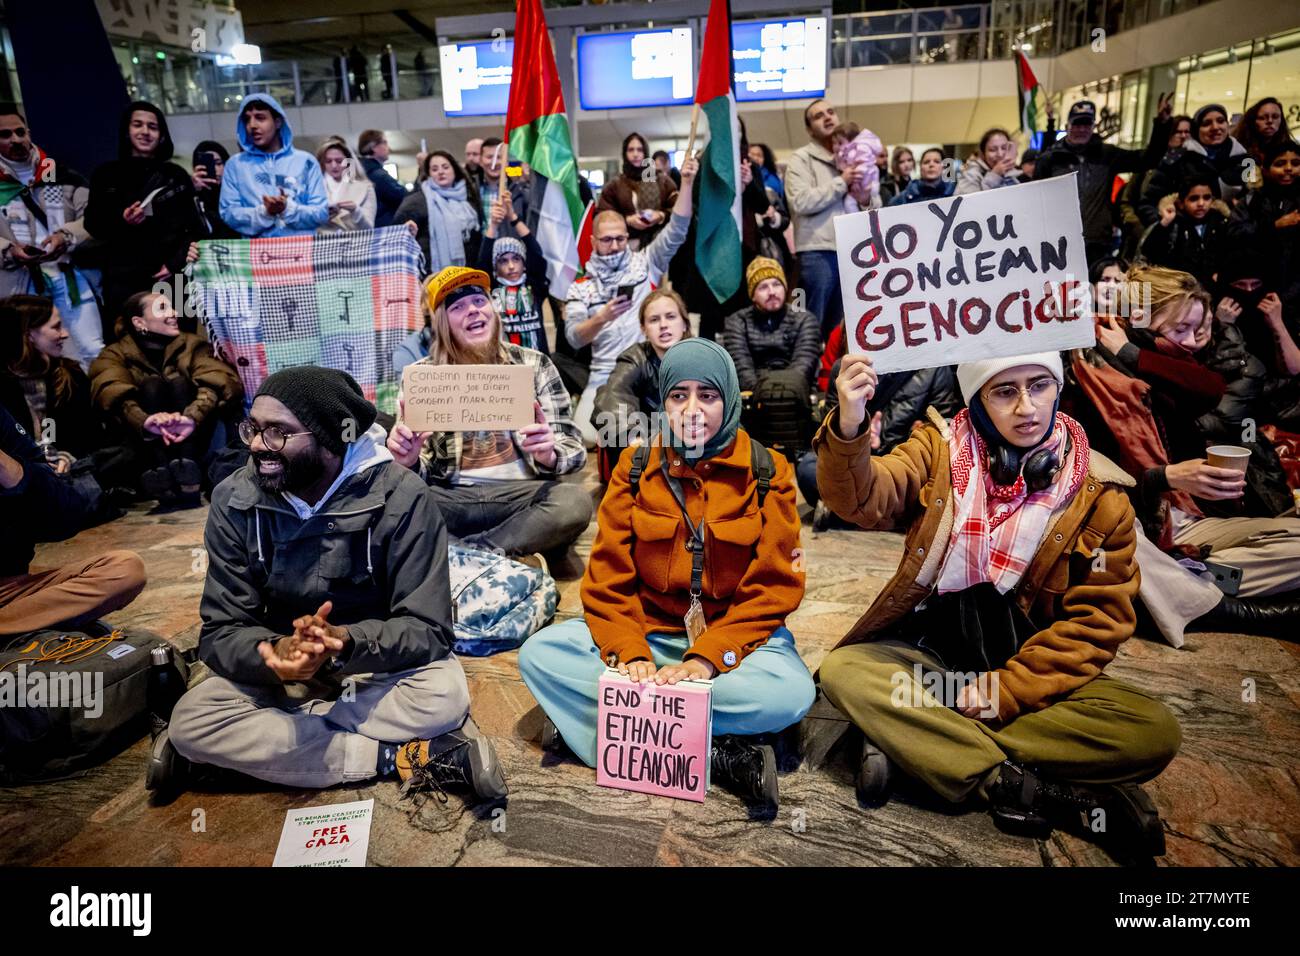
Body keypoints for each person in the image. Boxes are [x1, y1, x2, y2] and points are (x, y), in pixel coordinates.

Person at [815, 349, 1181, 860]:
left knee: (1153, 732)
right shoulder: (939, 452)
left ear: (1059, 388)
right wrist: (851, 424)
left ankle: (918, 745)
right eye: (1005, 391)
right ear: (979, 401)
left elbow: (1097, 624)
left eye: (1040, 386)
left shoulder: (1104, 500)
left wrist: (1005, 690)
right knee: (846, 671)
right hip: (933, 663)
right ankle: (1017, 785)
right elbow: (861, 500)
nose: (1027, 407)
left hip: (1026, 674)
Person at [155, 366, 507, 803]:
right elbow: (223, 630)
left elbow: (428, 628)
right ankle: (408, 757)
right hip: (278, 674)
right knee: (192, 721)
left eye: (278, 432)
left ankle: (257, 747)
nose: (257, 445)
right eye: (254, 428)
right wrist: (278, 656)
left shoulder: (403, 496)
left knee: (443, 695)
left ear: (329, 439)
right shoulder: (234, 498)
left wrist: (345, 643)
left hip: (370, 666)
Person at [519, 339, 815, 814]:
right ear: (663, 401)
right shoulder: (635, 468)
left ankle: (604, 724)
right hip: (650, 634)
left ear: (730, 398)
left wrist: (706, 661)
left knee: (789, 693)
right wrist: (629, 651)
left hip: (735, 645)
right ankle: (718, 754)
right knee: (539, 654)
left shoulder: (768, 471)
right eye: (678, 395)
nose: (692, 409)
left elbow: (774, 589)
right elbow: (607, 578)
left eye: (708, 395)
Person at [1071, 265, 1300, 614]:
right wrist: (1166, 477)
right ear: (1139, 319)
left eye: (1200, 328)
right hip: (1133, 526)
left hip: (1182, 521)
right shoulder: (1094, 375)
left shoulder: (1158, 366)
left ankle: (1187, 582)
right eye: (1181, 329)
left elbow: (1209, 388)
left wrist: (1134, 354)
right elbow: (1088, 489)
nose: (1193, 340)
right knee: (1113, 554)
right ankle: (1180, 584)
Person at [387, 267, 591, 570]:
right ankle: (509, 554)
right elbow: (421, 475)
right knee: (394, 504)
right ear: (442, 323)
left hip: (522, 498)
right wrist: (409, 461)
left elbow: (574, 450)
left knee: (574, 503)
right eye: (457, 307)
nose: (472, 310)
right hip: (452, 499)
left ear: (493, 311)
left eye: (479, 302)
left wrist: (550, 453)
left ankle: (466, 556)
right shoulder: (423, 377)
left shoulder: (534, 364)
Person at [565, 153, 698, 448]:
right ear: (593, 242)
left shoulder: (645, 262)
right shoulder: (581, 287)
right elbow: (574, 338)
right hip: (604, 374)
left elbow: (677, 229)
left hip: (651, 369)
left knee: (677, 430)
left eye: (620, 239)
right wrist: (602, 318)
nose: (614, 246)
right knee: (587, 436)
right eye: (607, 240)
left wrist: (685, 183)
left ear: (628, 237)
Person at [0, 404, 146, 636]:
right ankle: (33, 625)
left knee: (125, 569)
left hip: (10, 588)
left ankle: (20, 624)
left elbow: (64, 518)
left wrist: (9, 469)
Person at [90, 291, 242, 506]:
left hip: (195, 435)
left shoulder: (192, 344)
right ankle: (159, 472)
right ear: (139, 322)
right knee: (151, 385)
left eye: (172, 307)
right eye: (163, 308)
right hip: (144, 443)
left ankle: (188, 470)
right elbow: (110, 391)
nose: (174, 313)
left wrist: (190, 417)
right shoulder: (114, 354)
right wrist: (144, 421)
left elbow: (217, 382)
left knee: (179, 383)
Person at [84, 101, 203, 331]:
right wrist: (122, 219)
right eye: (138, 125)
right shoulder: (106, 175)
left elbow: (194, 229)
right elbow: (93, 225)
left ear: (162, 135)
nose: (145, 132)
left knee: (183, 339)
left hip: (172, 277)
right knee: (129, 341)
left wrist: (174, 264)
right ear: (127, 131)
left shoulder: (175, 175)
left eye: (153, 127)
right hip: (125, 279)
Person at [0, 103, 102, 368]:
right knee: (32, 358)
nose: (16, 139)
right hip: (19, 285)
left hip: (67, 275)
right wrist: (8, 249)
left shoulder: (59, 172)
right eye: (5, 135)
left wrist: (66, 236)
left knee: (92, 349)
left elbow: (96, 218)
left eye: (20, 132)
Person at [1035, 95, 1173, 262]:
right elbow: (1035, 198)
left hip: (1097, 243)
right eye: (1077, 124)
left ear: (1093, 126)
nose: (1082, 129)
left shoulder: (1107, 154)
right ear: (1067, 126)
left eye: (1087, 124)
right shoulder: (1050, 159)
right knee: (1063, 288)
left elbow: (1148, 159)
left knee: (1098, 288)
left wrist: (1162, 124)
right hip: (1058, 243)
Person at [0, 296, 105, 468]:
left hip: (76, 471)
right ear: (29, 335)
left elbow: (92, 436)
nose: (65, 334)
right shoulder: (4, 385)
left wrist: (66, 457)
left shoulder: (70, 374)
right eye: (56, 327)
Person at [785, 99, 856, 341]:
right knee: (812, 323)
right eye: (818, 116)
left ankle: (833, 375)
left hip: (850, 252)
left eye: (830, 112)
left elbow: (870, 206)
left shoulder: (851, 158)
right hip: (817, 252)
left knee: (842, 327)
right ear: (809, 129)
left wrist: (866, 195)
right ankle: (808, 375)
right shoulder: (800, 159)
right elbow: (800, 201)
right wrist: (842, 182)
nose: (827, 117)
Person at [594, 288, 692, 450]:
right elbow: (611, 397)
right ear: (643, 329)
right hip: (648, 448)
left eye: (671, 316)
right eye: (654, 320)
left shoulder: (703, 357)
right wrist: (633, 437)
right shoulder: (635, 358)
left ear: (684, 324)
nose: (663, 325)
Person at [219, 94, 327, 238]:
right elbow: (229, 213)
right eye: (247, 119)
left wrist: (287, 209)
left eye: (260, 117)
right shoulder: (236, 165)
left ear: (277, 122)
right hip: (257, 255)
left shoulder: (306, 161)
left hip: (301, 254)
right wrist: (265, 212)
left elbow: (321, 213)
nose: (252, 125)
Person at [1139, 103, 1251, 228]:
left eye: (1220, 121)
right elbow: (1148, 203)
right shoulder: (1176, 158)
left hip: (1229, 238)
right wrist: (1165, 227)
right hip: (1183, 239)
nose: (1215, 127)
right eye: (1206, 123)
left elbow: (1252, 200)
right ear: (1196, 129)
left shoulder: (1246, 161)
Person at [723, 256, 820, 394]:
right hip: (754, 397)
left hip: (796, 393)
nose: (772, 292)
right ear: (753, 295)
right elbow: (742, 370)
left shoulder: (805, 319)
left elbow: (804, 366)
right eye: (763, 287)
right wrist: (766, 394)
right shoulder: (737, 322)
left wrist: (784, 393)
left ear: (785, 287)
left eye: (776, 284)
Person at [393, 151, 482, 275]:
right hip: (430, 275)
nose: (441, 172)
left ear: (455, 170)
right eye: (434, 169)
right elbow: (397, 236)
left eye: (445, 167)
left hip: (467, 272)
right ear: (429, 174)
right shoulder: (417, 201)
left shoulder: (468, 199)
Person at [479, 195, 548, 353]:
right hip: (507, 367)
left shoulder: (534, 285)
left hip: (537, 363)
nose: (511, 266)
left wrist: (513, 218)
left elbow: (535, 252)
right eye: (503, 261)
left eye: (516, 259)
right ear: (495, 267)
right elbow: (482, 264)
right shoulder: (491, 289)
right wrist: (494, 225)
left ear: (524, 264)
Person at [1117, 114, 1191, 258]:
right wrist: (1136, 226)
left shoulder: (1191, 166)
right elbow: (1127, 200)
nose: (1183, 136)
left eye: (1187, 132)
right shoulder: (1150, 163)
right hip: (1143, 233)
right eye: (1178, 132)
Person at [595, 133, 678, 250]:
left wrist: (660, 215)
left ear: (646, 153)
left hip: (661, 245)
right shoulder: (615, 185)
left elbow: (679, 209)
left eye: (640, 150)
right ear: (624, 153)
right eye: (631, 150)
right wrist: (627, 220)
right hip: (625, 248)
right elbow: (602, 216)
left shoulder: (662, 181)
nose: (635, 154)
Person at [316, 139, 377, 233]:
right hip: (323, 245)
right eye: (328, 161)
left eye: (339, 161)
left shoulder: (366, 188)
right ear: (322, 163)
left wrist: (356, 211)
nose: (334, 165)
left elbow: (369, 229)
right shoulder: (312, 189)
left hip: (356, 245)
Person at [357, 129, 407, 228]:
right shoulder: (379, 176)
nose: (388, 148)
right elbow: (404, 197)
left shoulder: (357, 172)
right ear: (373, 147)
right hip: (384, 230)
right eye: (385, 143)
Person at [189, 140, 238, 239]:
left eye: (219, 163)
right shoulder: (191, 196)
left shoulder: (235, 192)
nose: (215, 169)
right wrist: (192, 190)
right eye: (209, 165)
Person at [476, 137, 528, 228]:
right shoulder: (470, 190)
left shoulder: (519, 192)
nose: (494, 162)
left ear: (506, 162)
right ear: (480, 161)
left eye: (499, 157)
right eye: (489, 157)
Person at [832, 122, 883, 211]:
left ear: (851, 140)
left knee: (850, 202)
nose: (837, 147)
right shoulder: (846, 153)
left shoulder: (859, 148)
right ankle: (855, 221)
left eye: (840, 143)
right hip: (858, 184)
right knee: (849, 203)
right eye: (834, 143)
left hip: (865, 180)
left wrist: (855, 180)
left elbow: (863, 164)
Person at [956, 127, 1024, 195]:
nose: (1000, 154)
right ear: (983, 154)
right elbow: (970, 203)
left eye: (1004, 148)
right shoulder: (970, 175)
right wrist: (995, 175)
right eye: (992, 150)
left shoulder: (1014, 173)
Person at [1233, 97, 1292, 166]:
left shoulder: (1290, 150)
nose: (1270, 121)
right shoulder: (1237, 150)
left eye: (1275, 117)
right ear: (1252, 121)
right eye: (1262, 118)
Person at [888, 148, 955, 205]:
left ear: (943, 167)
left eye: (936, 161)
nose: (931, 165)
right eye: (926, 162)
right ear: (920, 167)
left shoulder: (954, 193)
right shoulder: (902, 199)